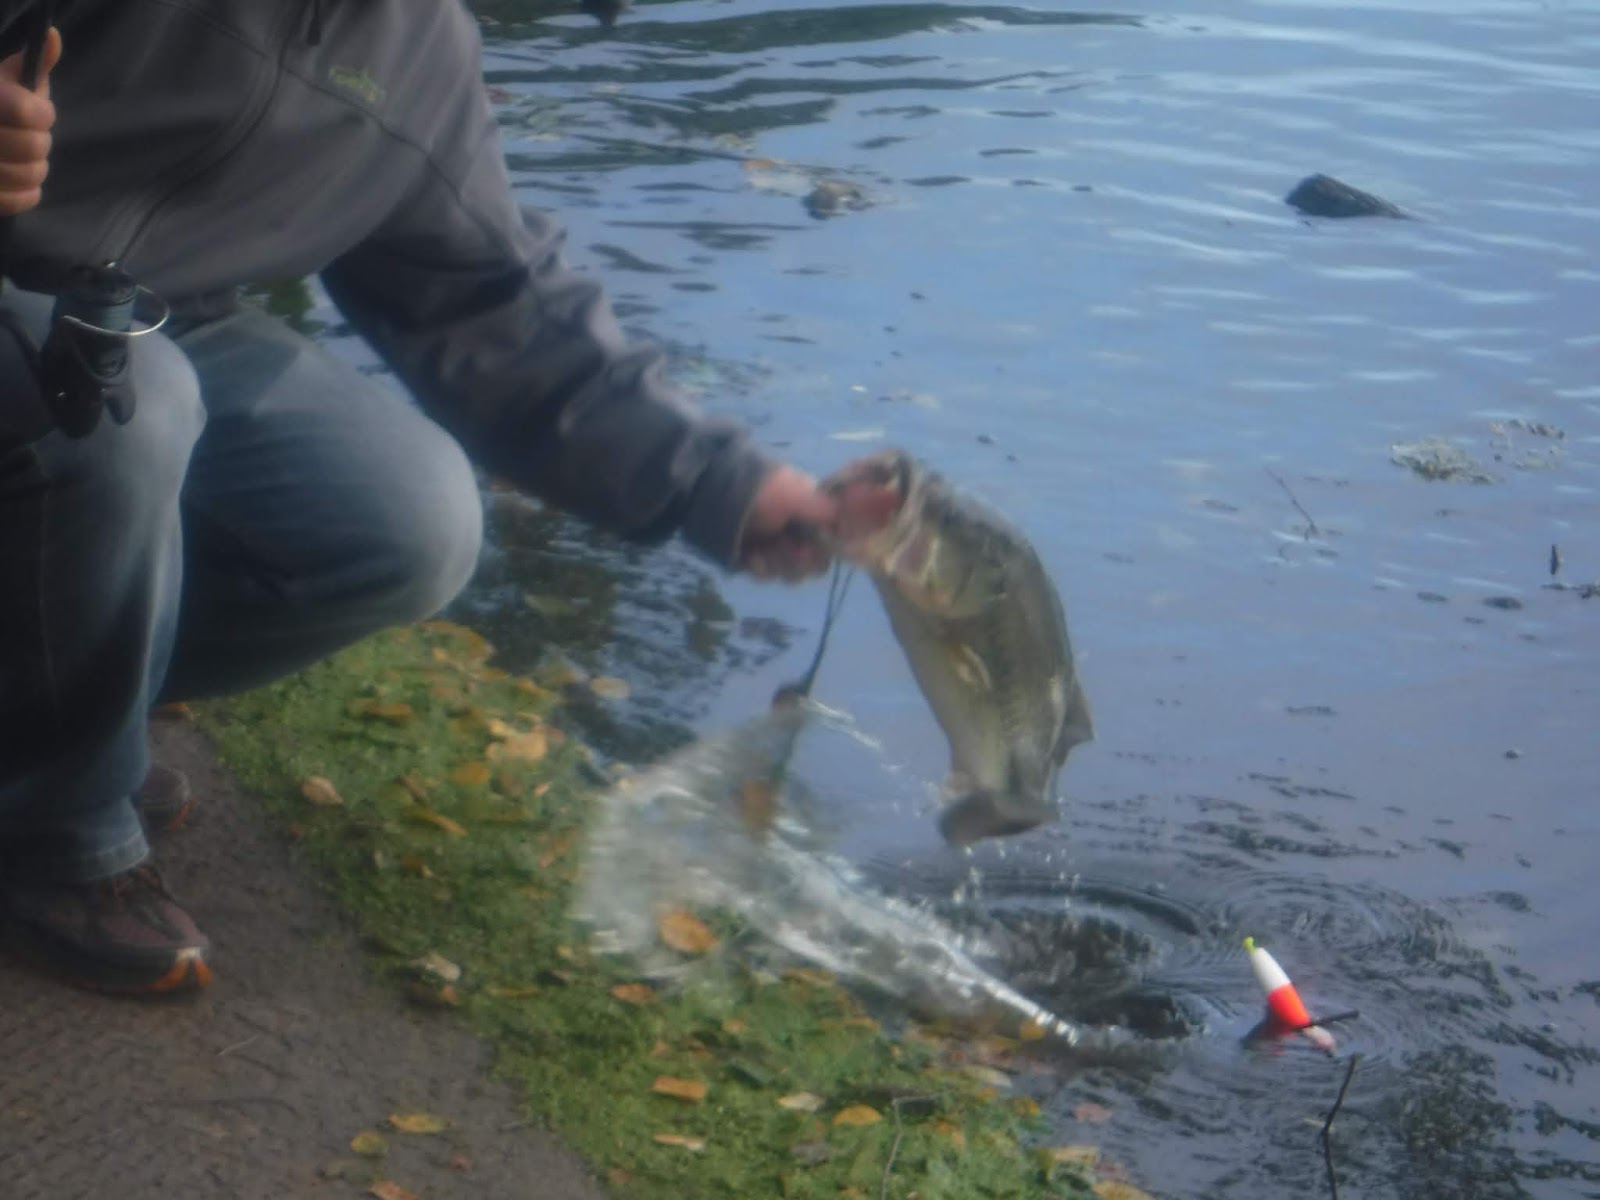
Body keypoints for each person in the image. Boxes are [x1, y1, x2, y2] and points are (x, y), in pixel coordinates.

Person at [0, 3, 847, 996]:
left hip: (147, 322)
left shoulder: (419, 46)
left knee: (411, 520)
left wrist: (723, 485)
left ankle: (61, 712)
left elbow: (492, 301)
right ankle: (62, 830)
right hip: (76, 339)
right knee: (131, 406)